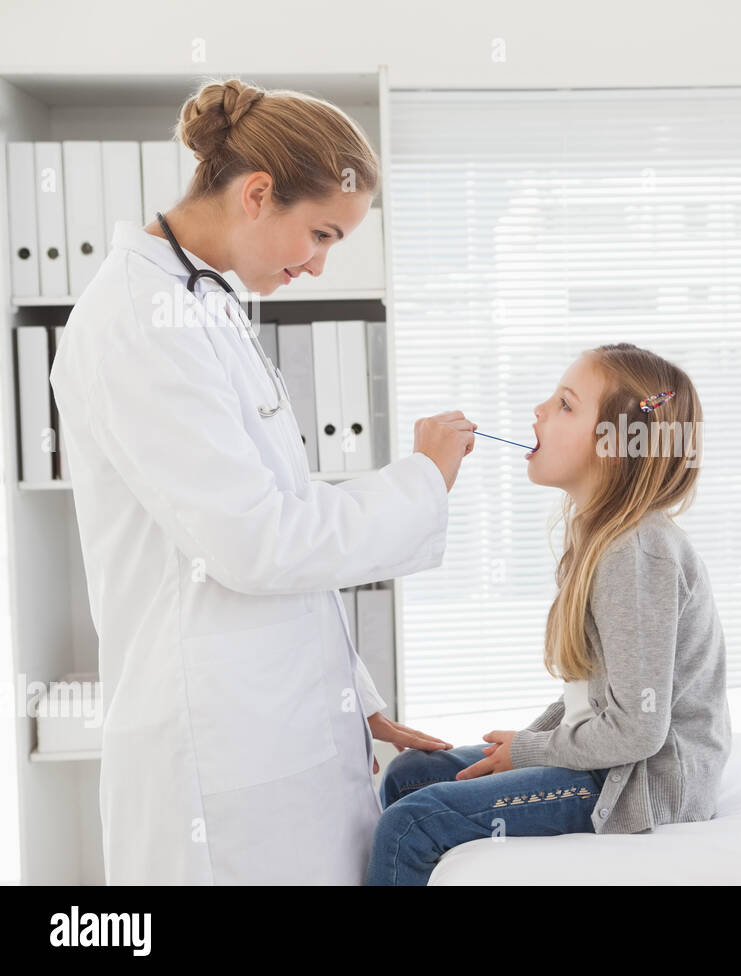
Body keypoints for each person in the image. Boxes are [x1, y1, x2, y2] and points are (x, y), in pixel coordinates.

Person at [49, 78, 473, 884]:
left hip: (275, 730)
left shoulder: (204, 304)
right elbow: (256, 542)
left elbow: (280, 516)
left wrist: (352, 693)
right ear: (255, 193)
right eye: (319, 235)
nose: (316, 266)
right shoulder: (141, 320)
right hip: (214, 758)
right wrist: (421, 481)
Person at [364, 343, 732, 885]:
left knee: (412, 823)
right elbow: (591, 699)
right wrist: (520, 746)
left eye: (564, 404)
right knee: (409, 776)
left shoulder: (637, 552)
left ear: (613, 446)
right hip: (614, 762)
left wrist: (528, 750)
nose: (538, 411)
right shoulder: (604, 541)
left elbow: (637, 732)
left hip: (635, 784)